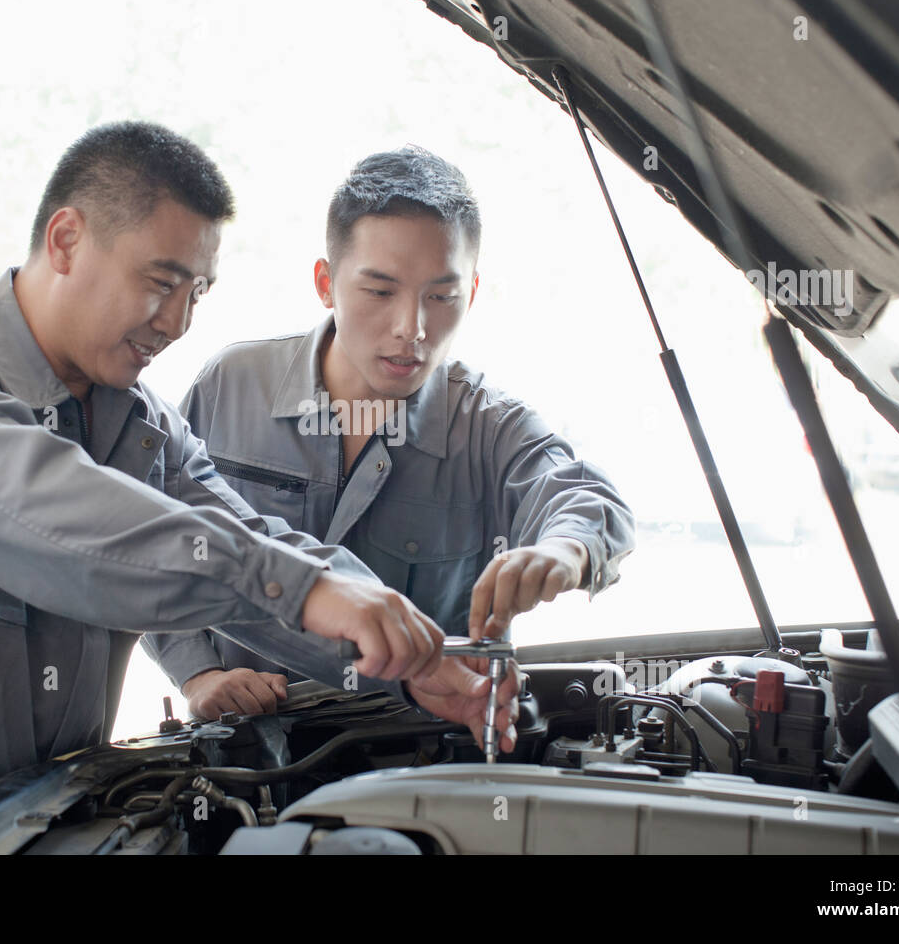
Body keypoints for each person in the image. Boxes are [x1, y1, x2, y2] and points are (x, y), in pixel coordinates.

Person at [0, 124, 517, 855]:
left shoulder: (144, 431)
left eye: (197, 292)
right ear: (66, 239)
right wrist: (308, 589)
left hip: (25, 825)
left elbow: (250, 548)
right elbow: (58, 519)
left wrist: (415, 659)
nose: (177, 322)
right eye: (161, 282)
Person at [144, 146, 635, 721]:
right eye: (380, 291)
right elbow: (153, 530)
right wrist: (200, 674)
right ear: (326, 283)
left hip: (416, 766)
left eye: (441, 296)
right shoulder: (232, 385)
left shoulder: (489, 428)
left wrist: (565, 550)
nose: (412, 329)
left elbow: (587, 498)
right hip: (241, 759)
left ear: (471, 294)